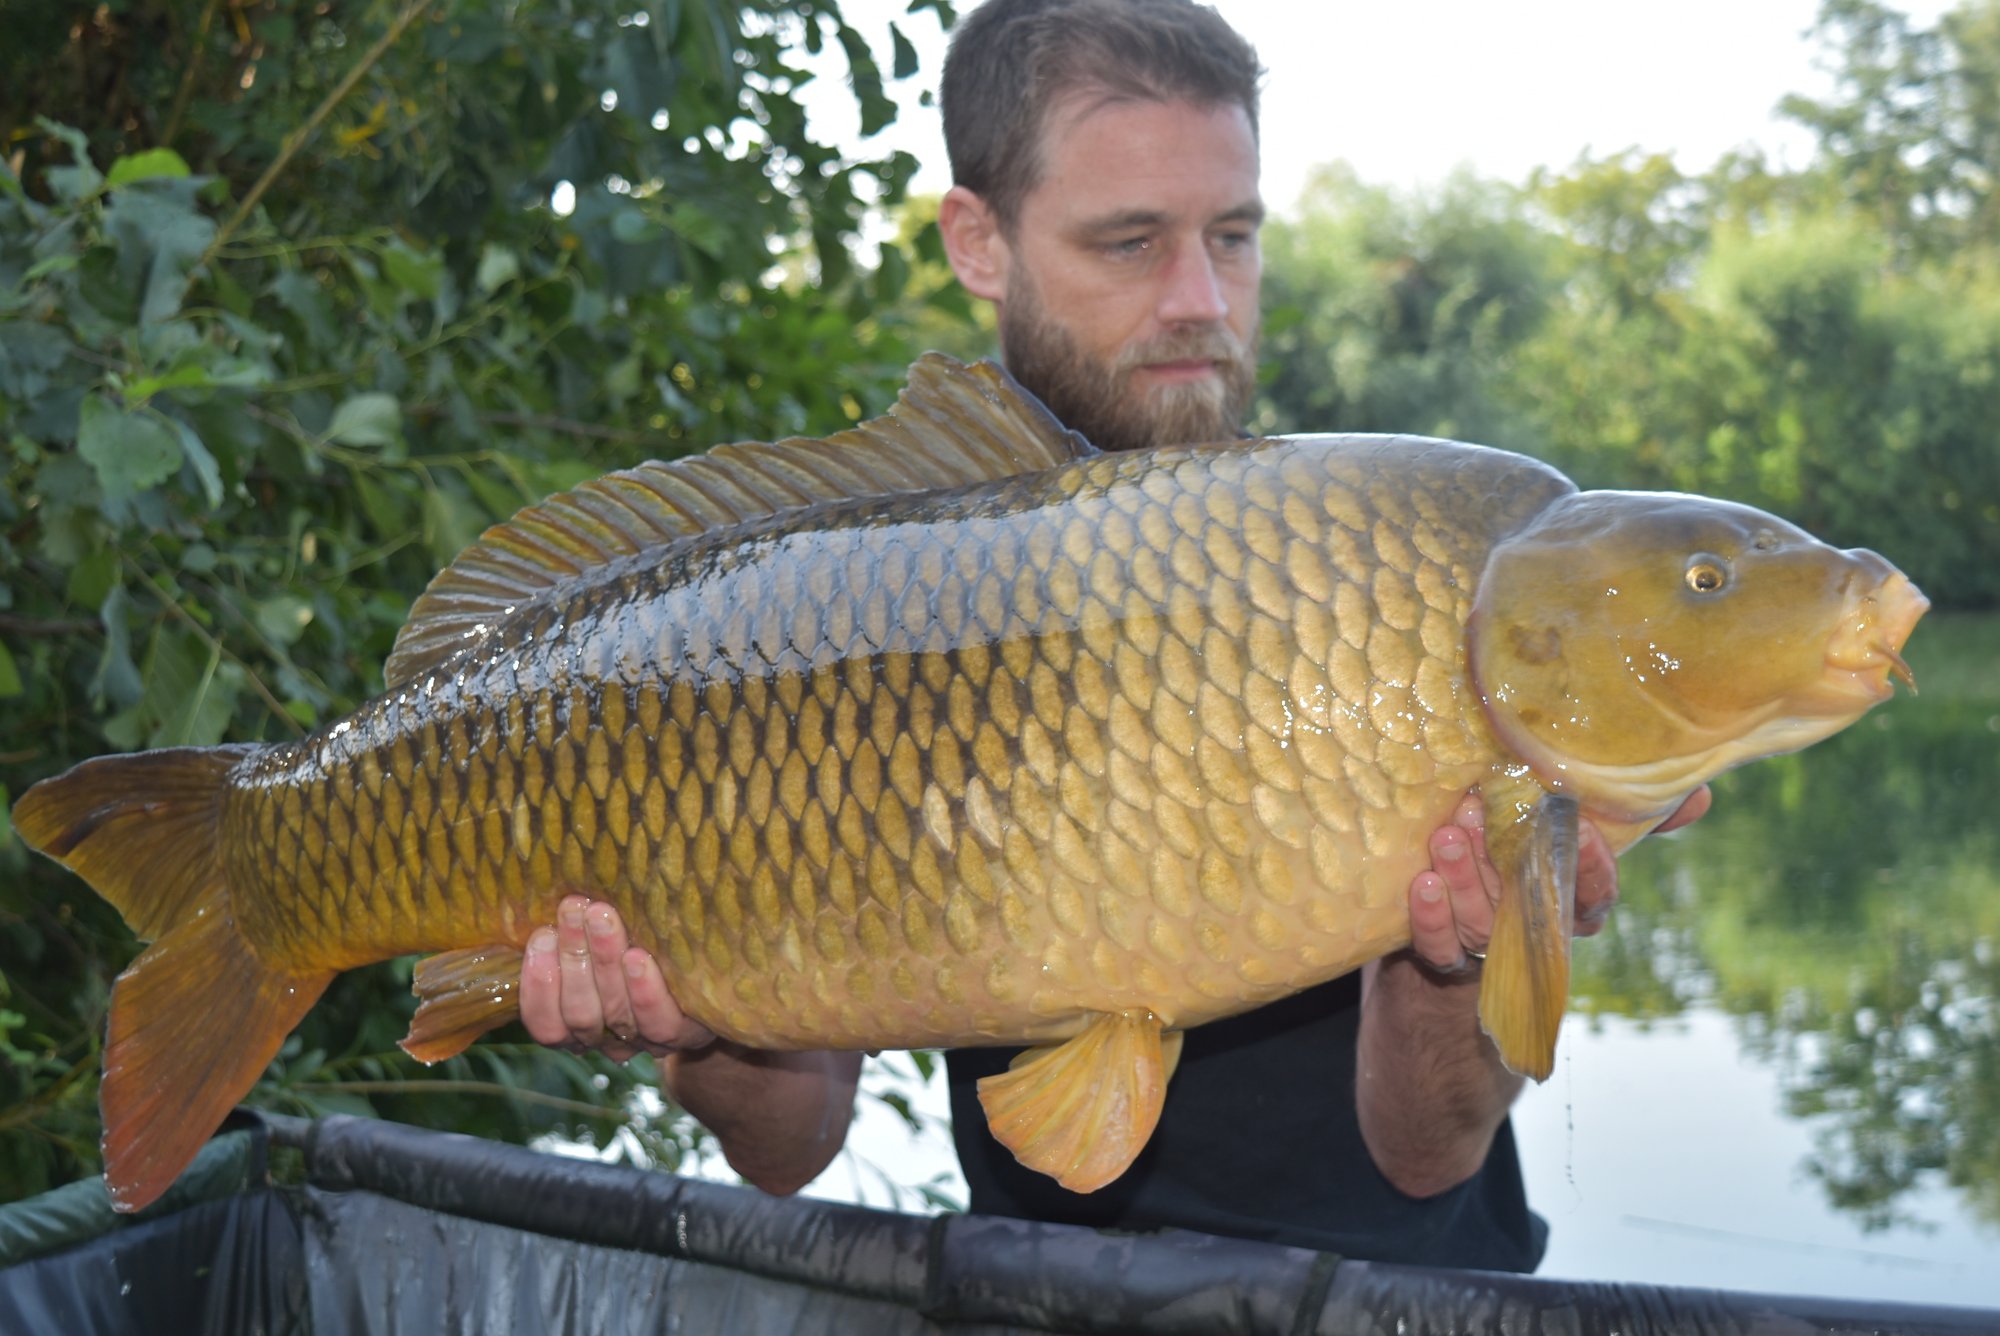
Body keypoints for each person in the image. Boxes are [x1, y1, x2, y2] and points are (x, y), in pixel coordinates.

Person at [517, 0, 1710, 1270]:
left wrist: (1459, 953)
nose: (1200, 301)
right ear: (978, 241)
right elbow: (785, 1144)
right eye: (1129, 241)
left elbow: (1424, 1155)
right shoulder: (855, 596)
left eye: (1232, 236)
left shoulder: (1383, 573)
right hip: (1030, 1285)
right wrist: (686, 1016)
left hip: (1393, 1293)